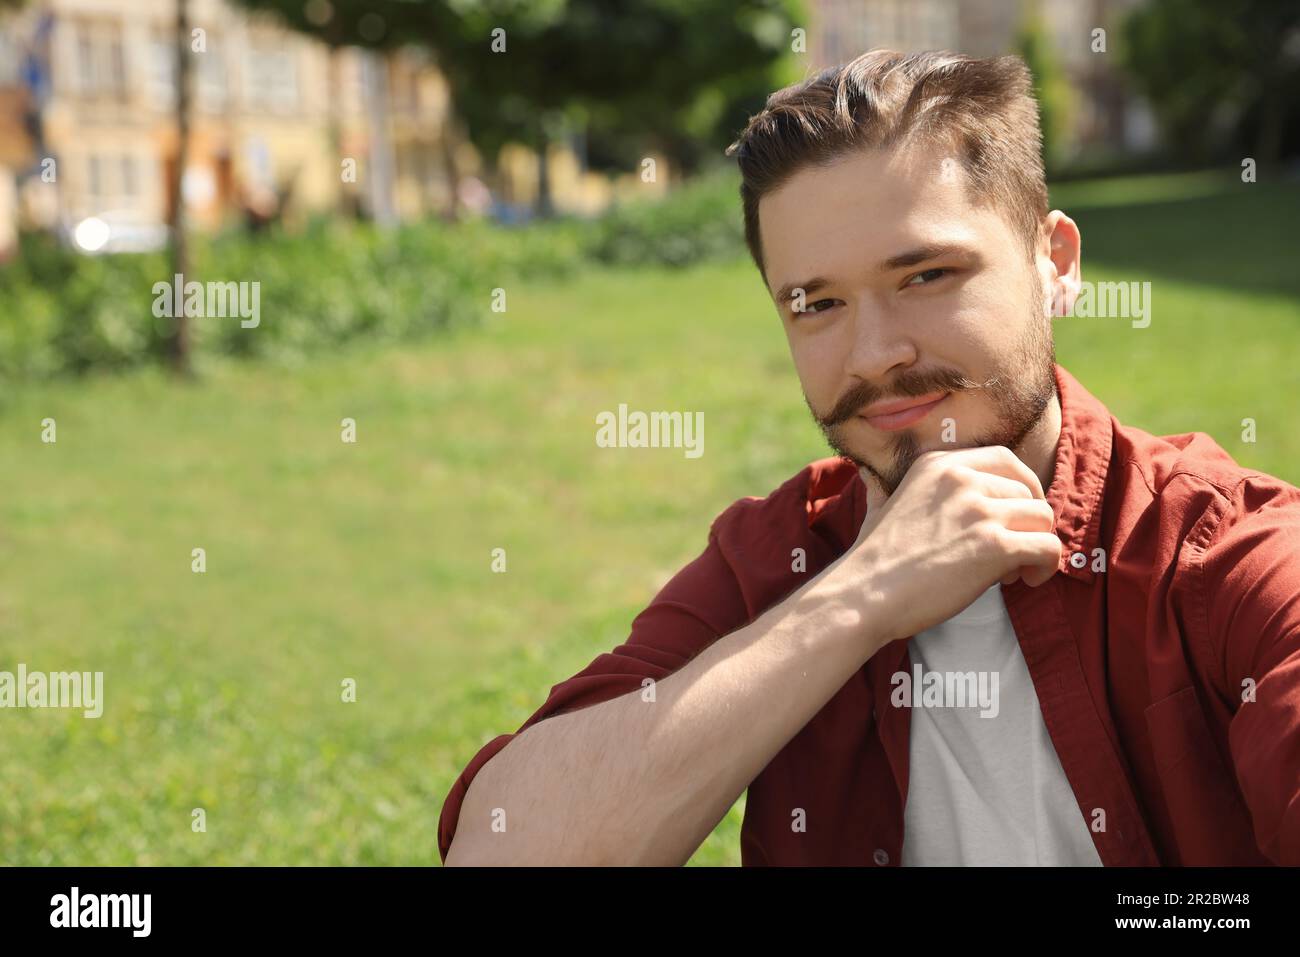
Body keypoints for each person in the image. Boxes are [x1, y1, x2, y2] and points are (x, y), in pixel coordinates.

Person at [438, 49, 1300, 866]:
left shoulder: (1224, 553)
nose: (873, 355)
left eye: (925, 275)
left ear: (1055, 262)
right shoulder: (776, 561)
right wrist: (859, 597)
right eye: (817, 303)